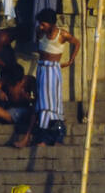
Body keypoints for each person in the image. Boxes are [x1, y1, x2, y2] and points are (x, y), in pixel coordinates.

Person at [24, 8, 78, 147]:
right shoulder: (39, 32)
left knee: (52, 103)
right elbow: (39, 46)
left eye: (44, 24)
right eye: (40, 24)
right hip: (42, 68)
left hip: (53, 70)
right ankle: (43, 138)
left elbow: (76, 43)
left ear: (51, 23)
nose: (41, 26)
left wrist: (71, 60)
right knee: (42, 102)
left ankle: (56, 137)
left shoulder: (62, 34)